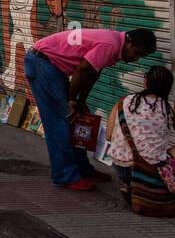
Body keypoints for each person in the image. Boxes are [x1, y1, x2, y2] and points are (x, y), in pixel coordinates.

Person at [24, 26, 158, 191]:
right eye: (136, 52)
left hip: (50, 66)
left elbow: (93, 73)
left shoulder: (115, 45)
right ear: (129, 41)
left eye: (140, 57)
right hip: (42, 64)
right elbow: (82, 69)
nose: (135, 59)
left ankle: (82, 169)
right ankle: (65, 176)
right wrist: (72, 100)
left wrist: (81, 101)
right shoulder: (111, 44)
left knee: (76, 119)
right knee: (60, 121)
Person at [108, 66, 175, 211]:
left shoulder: (122, 102)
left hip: (121, 169)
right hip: (149, 171)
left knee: (152, 153)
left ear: (145, 83)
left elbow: (109, 135)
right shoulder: (170, 107)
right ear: (168, 88)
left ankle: (133, 187)